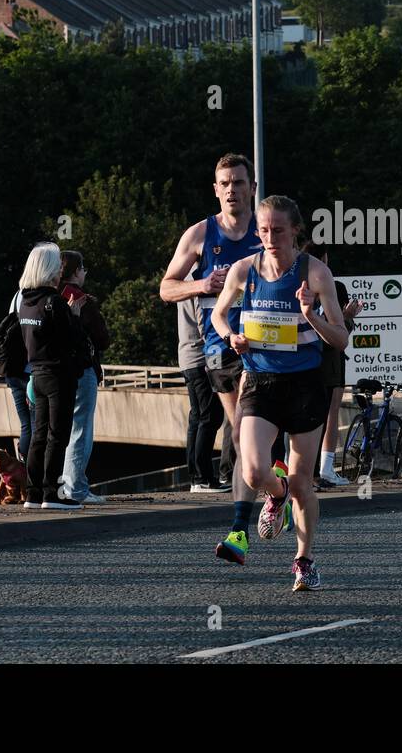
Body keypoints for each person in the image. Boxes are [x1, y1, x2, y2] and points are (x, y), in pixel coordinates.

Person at [210, 196, 348, 592]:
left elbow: (340, 339)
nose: (271, 238)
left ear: (295, 231)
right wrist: (230, 336)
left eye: (279, 230)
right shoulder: (244, 270)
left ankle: (304, 560)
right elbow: (219, 314)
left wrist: (310, 315)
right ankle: (277, 493)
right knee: (253, 469)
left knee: (304, 482)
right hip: (259, 382)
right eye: (265, 230)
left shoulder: (315, 272)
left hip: (305, 385)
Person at [158, 154, 264, 563]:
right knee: (241, 433)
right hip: (220, 346)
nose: (233, 190)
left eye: (240, 182)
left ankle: (245, 522)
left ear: (252, 188)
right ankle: (269, 497)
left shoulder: (268, 228)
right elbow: (166, 288)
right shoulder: (201, 234)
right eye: (226, 183)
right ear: (216, 190)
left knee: (249, 431)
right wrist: (201, 283)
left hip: (268, 346)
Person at [16, 242, 86, 510]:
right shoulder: (54, 302)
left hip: (37, 373)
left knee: (39, 434)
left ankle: (33, 494)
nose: (60, 269)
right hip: (59, 375)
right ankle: (51, 494)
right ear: (49, 269)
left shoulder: (26, 302)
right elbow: (73, 340)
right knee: (58, 434)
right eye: (57, 265)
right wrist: (75, 315)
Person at [306, 243, 361, 490]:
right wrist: (348, 317)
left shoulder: (298, 285)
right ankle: (321, 471)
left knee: (310, 418)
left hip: (305, 361)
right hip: (327, 362)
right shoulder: (333, 287)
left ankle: (310, 471)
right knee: (325, 415)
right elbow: (339, 334)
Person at [58, 250, 109, 504]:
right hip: (81, 369)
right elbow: (102, 339)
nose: (85, 272)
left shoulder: (47, 296)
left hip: (51, 372)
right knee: (80, 429)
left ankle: (51, 488)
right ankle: (75, 487)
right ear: (76, 271)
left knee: (55, 430)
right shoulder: (82, 300)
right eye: (83, 267)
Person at [178, 280, 226, 492]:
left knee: (197, 417)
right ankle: (203, 478)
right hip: (202, 357)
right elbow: (204, 322)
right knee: (210, 416)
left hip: (187, 357)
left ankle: (196, 477)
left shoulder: (184, 283)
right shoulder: (200, 284)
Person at [5, 288, 33, 462]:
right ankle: (37, 474)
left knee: (26, 425)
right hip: (31, 372)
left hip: (13, 372)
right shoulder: (42, 297)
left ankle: (24, 467)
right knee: (39, 426)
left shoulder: (17, 296)